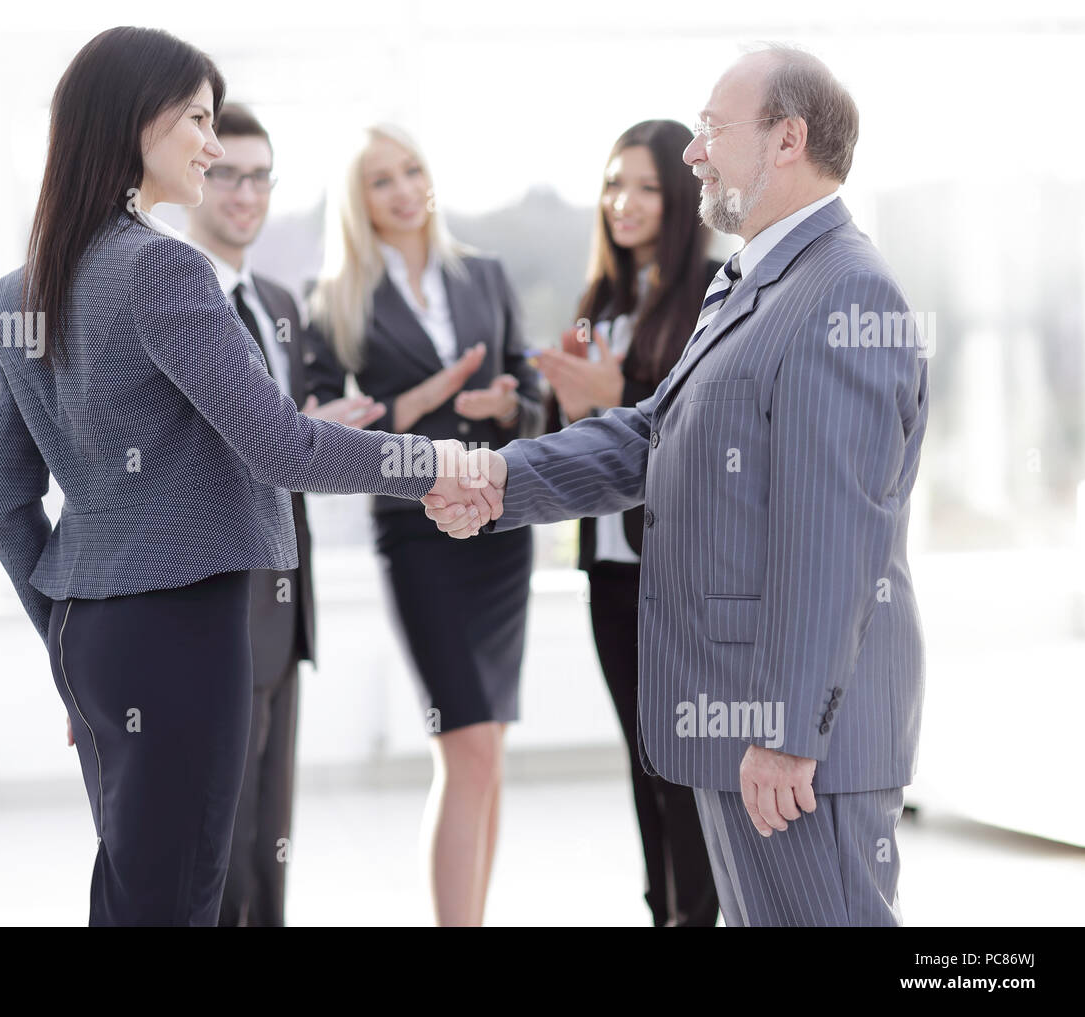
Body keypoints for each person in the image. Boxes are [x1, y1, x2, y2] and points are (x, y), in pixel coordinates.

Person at [0, 26, 495, 927]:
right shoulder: (166, 269)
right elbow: (282, 449)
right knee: (179, 902)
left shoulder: (23, 288)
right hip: (181, 628)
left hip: (90, 636)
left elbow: (6, 503)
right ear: (136, 123)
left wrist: (64, 643)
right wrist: (434, 461)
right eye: (197, 119)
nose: (213, 147)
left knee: (135, 891)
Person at [424, 43, 929, 927]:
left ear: (787, 140)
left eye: (711, 129)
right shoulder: (752, 284)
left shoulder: (847, 294)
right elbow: (654, 434)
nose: (694, 152)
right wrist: (504, 476)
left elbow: (831, 545)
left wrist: (783, 734)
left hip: (799, 745)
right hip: (744, 729)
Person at [301, 123, 543, 926]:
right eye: (381, 180)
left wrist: (506, 402)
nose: (404, 190)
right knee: (465, 745)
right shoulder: (332, 299)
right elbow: (314, 436)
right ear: (357, 201)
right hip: (418, 535)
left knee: (490, 751)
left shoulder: (485, 274)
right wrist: (421, 401)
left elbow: (532, 395)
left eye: (412, 171)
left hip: (500, 529)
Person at [182, 104, 382, 926]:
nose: (245, 192)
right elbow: (197, 456)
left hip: (283, 603)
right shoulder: (176, 300)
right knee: (219, 842)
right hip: (215, 603)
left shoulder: (276, 302)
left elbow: (296, 432)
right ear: (195, 176)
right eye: (226, 172)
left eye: (260, 175)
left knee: (269, 834)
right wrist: (303, 436)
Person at [536, 119, 719, 927]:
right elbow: (568, 445)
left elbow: (707, 441)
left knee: (685, 765)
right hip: (609, 572)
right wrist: (542, 404)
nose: (624, 202)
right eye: (614, 184)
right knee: (644, 760)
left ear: (680, 198)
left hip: (678, 575)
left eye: (646, 186)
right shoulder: (597, 305)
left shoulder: (718, 291)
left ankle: (695, 912)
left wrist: (611, 400)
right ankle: (665, 909)